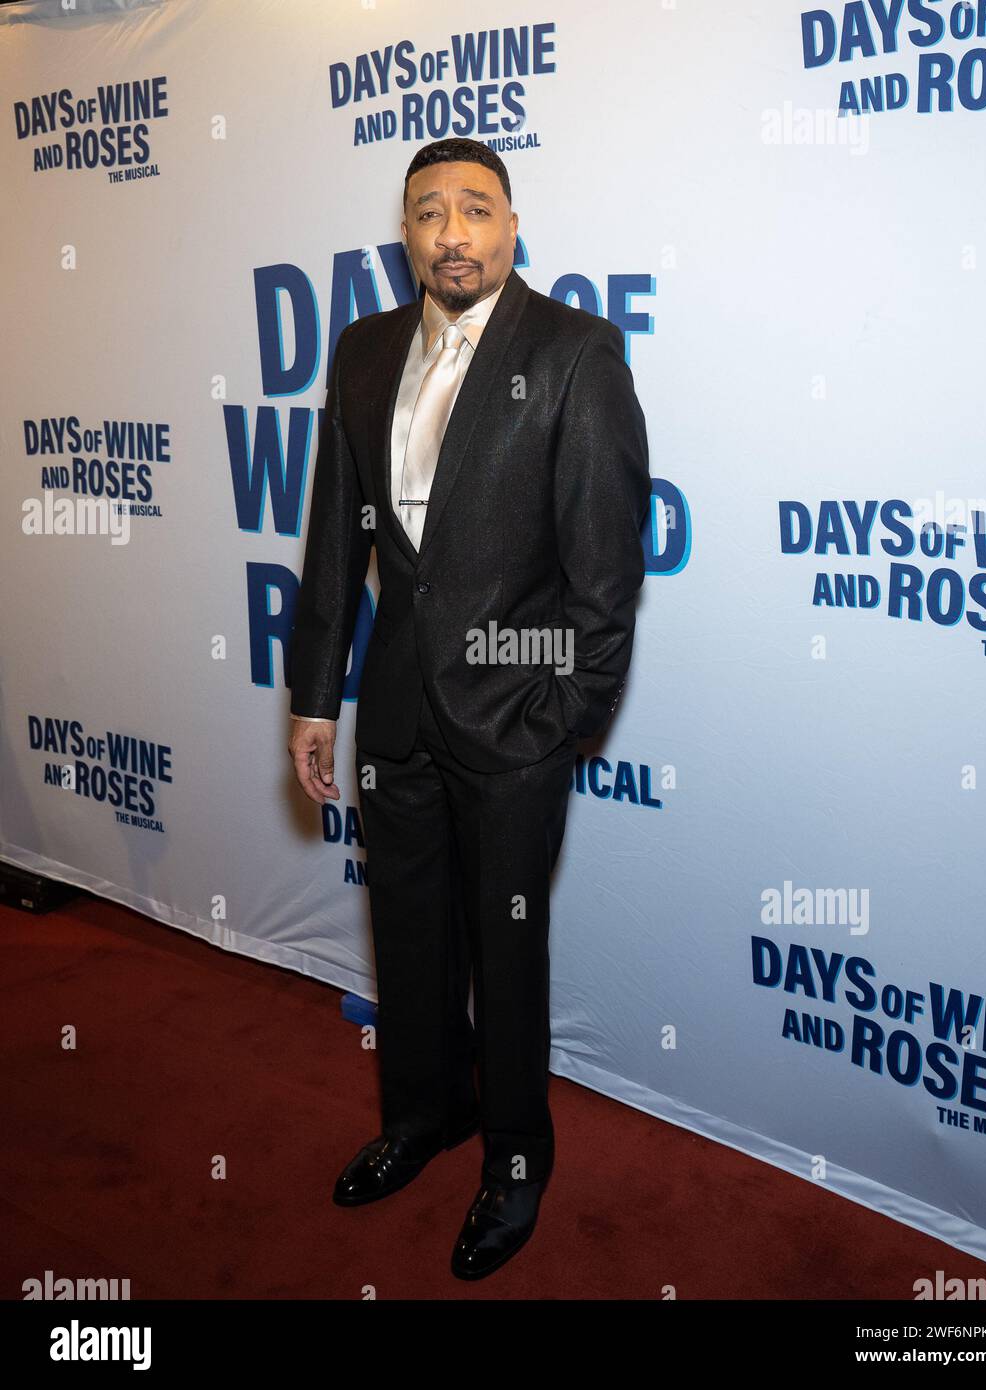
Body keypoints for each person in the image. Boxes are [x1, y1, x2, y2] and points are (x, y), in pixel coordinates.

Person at [288, 137, 650, 1280]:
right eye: (428, 211)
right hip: (395, 710)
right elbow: (334, 538)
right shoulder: (362, 350)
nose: (452, 233)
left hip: (514, 726)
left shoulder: (574, 352)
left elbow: (605, 571)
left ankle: (513, 1157)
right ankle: (421, 1114)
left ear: (511, 225)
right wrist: (315, 697)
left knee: (505, 946)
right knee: (406, 935)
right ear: (403, 232)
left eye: (476, 209)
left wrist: (565, 715)